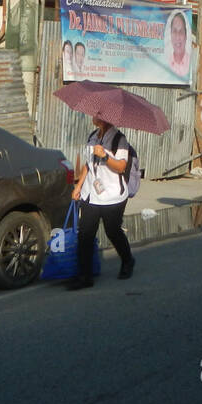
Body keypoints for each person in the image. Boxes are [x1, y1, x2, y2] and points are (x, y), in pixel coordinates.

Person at [67, 114, 136, 289]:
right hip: (91, 194)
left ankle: (128, 260)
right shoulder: (93, 136)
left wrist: (105, 156)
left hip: (113, 196)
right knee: (85, 235)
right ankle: (85, 277)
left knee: (112, 231)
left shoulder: (120, 140)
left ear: (105, 118)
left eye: (97, 114)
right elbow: (88, 164)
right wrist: (79, 186)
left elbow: (121, 166)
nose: (93, 116)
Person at [166, 13, 191, 78]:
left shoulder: (191, 63)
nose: (177, 37)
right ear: (170, 35)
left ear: (186, 36)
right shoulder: (166, 63)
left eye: (181, 31)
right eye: (174, 31)